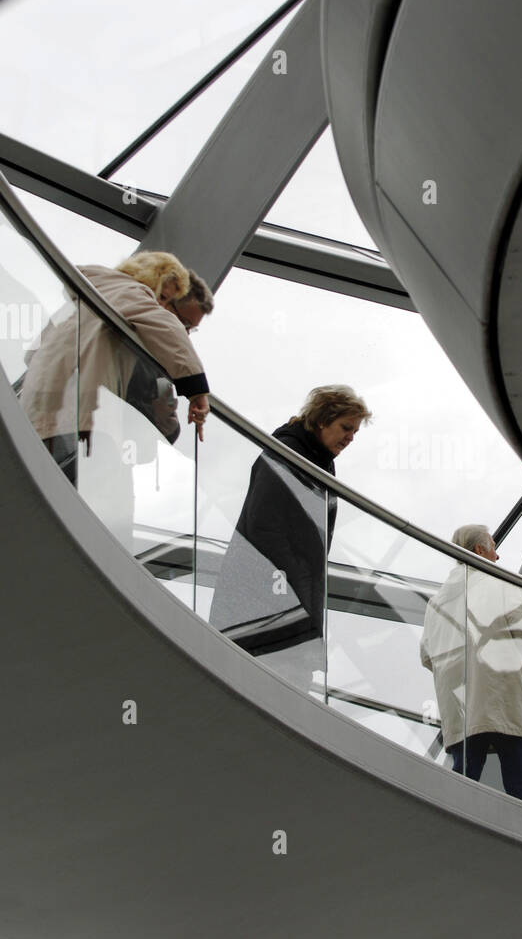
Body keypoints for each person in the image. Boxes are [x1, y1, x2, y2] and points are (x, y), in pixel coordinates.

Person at [210, 385, 371, 687]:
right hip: (269, 597)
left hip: (289, 592)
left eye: (355, 432)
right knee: (273, 682)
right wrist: (297, 576)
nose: (350, 438)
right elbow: (262, 523)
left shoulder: (317, 461)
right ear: (323, 420)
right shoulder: (288, 454)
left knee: (285, 683)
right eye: (346, 428)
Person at [20, 251, 213, 482]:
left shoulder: (88, 292)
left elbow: (31, 355)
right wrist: (197, 391)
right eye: (162, 296)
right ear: (150, 279)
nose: (159, 306)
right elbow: (168, 328)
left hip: (35, 414)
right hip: (76, 421)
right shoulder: (132, 292)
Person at [421, 524, 522, 805]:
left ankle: (454, 839)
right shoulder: (497, 583)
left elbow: (427, 657)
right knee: (520, 786)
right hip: (500, 696)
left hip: (460, 706)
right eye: (493, 548)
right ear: (479, 550)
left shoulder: (435, 603)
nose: (497, 558)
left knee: (462, 785)